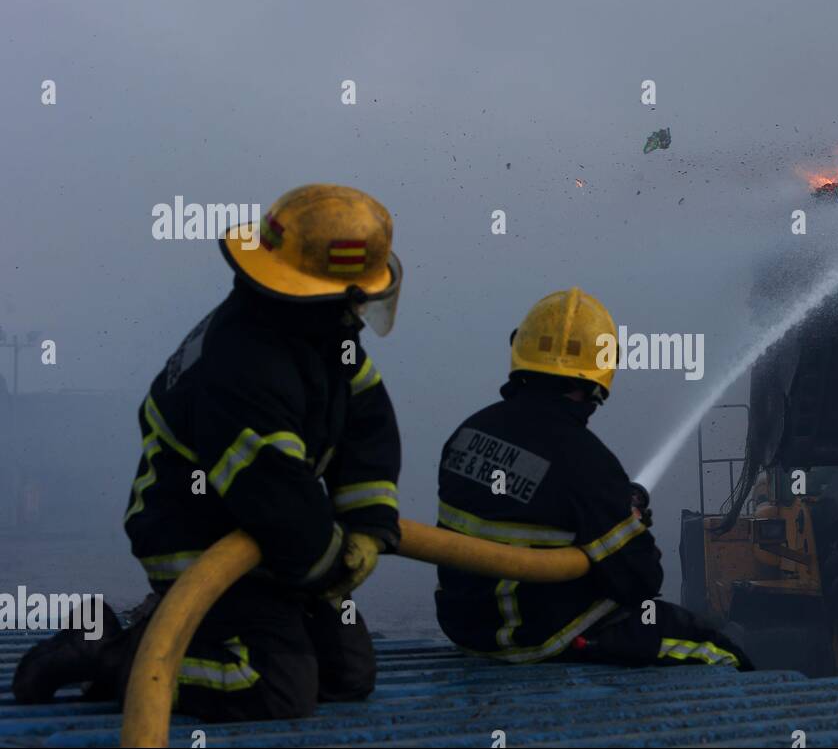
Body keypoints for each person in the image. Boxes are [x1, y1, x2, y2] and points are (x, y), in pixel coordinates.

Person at [13, 184, 404, 721]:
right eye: (353, 297)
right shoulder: (243, 363)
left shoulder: (319, 339)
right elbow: (270, 486)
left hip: (277, 543)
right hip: (200, 541)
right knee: (277, 687)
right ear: (317, 295)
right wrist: (328, 564)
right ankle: (111, 656)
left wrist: (369, 523)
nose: (360, 312)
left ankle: (156, 634)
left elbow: (369, 424)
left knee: (347, 676)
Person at [434, 287, 751, 670]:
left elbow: (524, 510)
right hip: (543, 637)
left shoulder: (467, 434)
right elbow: (640, 580)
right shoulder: (585, 461)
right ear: (598, 374)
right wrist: (628, 522)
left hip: (466, 629)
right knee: (720, 651)